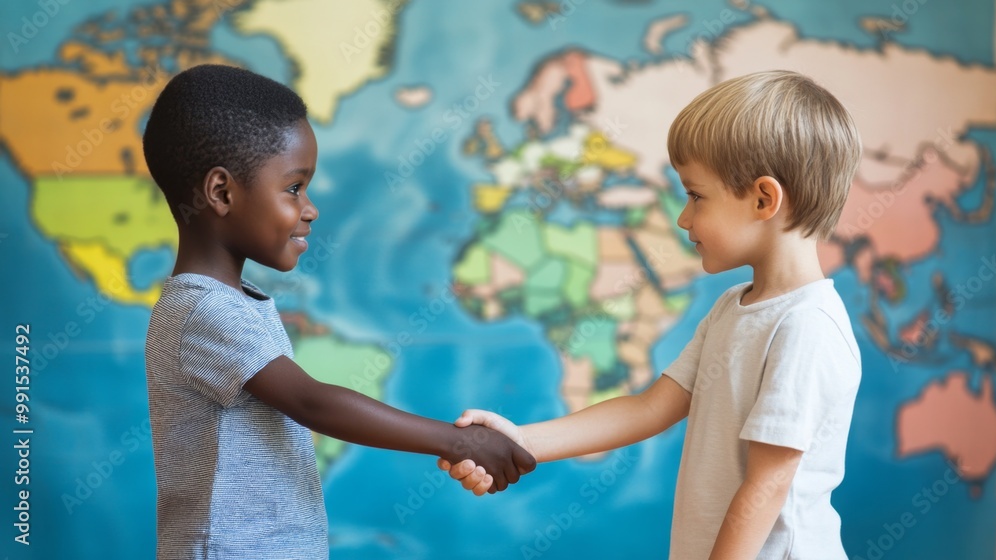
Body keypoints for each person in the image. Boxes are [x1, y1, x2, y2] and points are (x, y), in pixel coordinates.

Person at [440, 70, 863, 559]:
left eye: (696, 196)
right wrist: (518, 439)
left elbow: (766, 487)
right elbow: (649, 408)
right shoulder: (735, 307)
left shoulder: (806, 327)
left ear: (764, 199)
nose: (682, 218)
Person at [142, 64, 535, 559]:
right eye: (293, 188)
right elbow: (313, 403)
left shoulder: (221, 303)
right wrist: (456, 443)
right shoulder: (202, 311)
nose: (310, 208)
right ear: (221, 193)